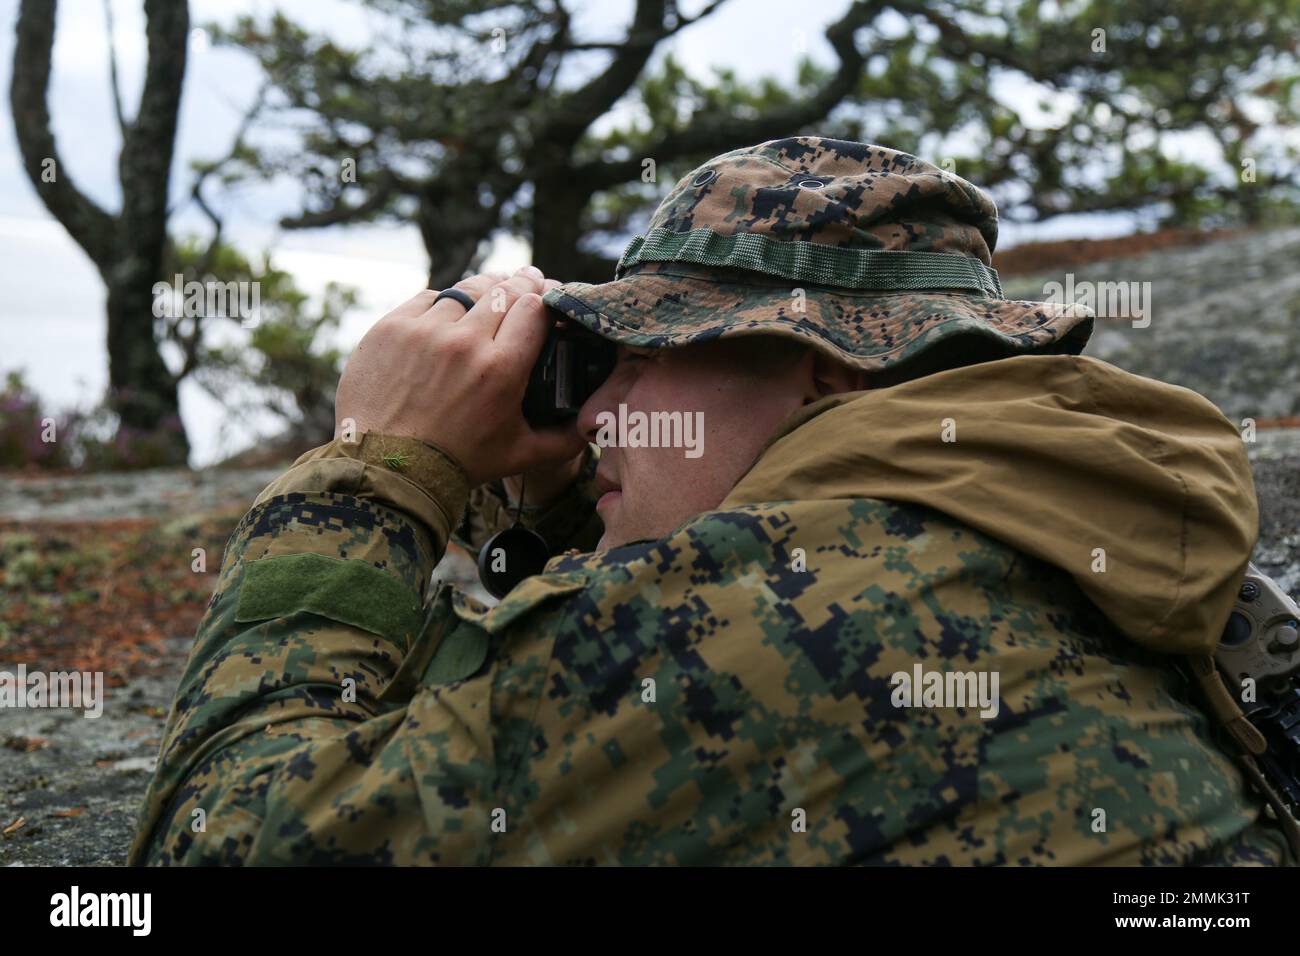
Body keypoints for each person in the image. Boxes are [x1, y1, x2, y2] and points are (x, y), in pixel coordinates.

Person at [129, 136, 1292, 865]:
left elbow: (222, 840)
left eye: (645, 356)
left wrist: (376, 470)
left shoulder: (781, 610)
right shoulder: (1039, 529)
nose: (598, 410)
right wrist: (558, 515)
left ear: (828, 372)